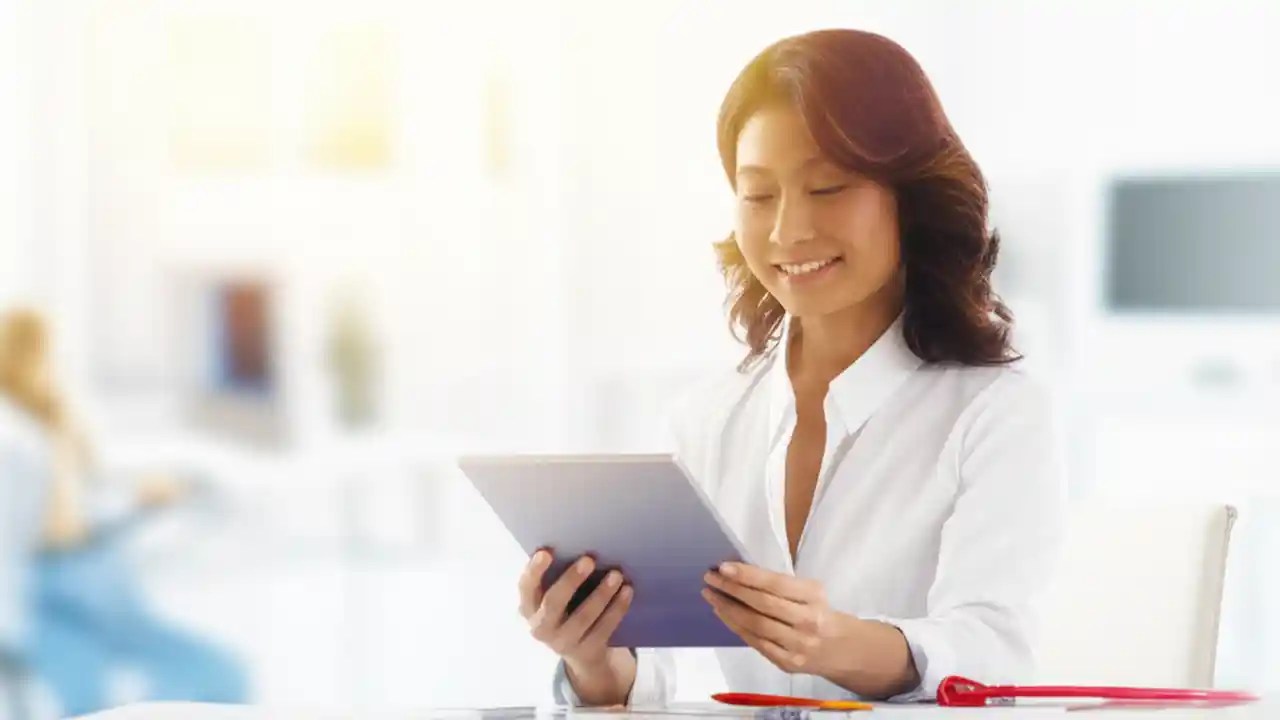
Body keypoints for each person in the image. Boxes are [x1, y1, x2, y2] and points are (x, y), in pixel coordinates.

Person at [517, 29, 1066, 706]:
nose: (787, 232)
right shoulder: (708, 420)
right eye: (758, 196)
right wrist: (593, 657)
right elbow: (653, 684)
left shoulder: (993, 412)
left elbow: (995, 655)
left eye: (828, 187)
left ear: (912, 198)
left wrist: (839, 644)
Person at [0, 308, 248, 716]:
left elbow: (87, 495)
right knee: (80, 698)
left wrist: (140, 496)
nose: (47, 362)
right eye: (35, 350)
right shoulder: (15, 437)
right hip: (51, 589)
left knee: (216, 672)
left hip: (90, 571)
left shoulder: (56, 418)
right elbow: (41, 524)